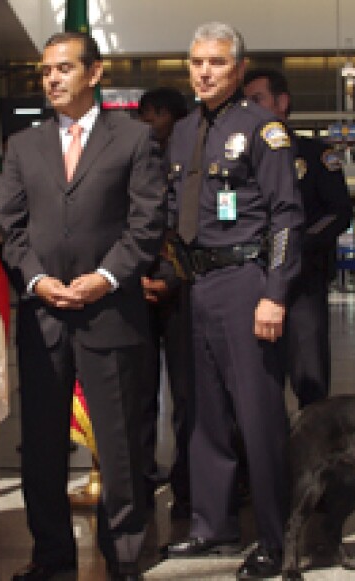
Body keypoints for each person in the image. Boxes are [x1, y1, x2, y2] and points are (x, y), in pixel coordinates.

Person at [0, 31, 165, 581]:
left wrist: (105, 277)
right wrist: (38, 279)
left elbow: (146, 225)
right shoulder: (23, 145)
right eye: (46, 71)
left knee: (117, 449)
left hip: (110, 313)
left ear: (94, 73)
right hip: (44, 316)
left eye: (64, 69)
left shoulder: (134, 140)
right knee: (41, 448)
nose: (52, 79)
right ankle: (51, 557)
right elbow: (10, 228)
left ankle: (123, 557)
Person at [163, 22, 304, 580]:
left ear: (239, 69)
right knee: (201, 414)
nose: (204, 72)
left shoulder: (264, 129)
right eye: (196, 61)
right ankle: (211, 524)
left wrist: (275, 293)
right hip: (193, 285)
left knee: (258, 415)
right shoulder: (181, 131)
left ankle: (274, 536)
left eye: (216, 63)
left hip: (246, 284)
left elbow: (285, 217)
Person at [243, 68, 352, 407]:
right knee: (256, 384)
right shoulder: (240, 158)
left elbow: (339, 212)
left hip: (303, 281)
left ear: (282, 103)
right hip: (251, 282)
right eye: (246, 102)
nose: (250, 109)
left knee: (310, 378)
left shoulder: (314, 155)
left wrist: (295, 247)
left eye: (257, 100)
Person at [137, 87, 192, 518]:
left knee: (188, 395)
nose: (148, 122)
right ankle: (138, 479)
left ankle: (188, 485)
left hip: (183, 289)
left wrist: (171, 275)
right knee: (138, 395)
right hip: (134, 286)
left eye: (156, 114)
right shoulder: (130, 155)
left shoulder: (191, 152)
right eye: (144, 114)